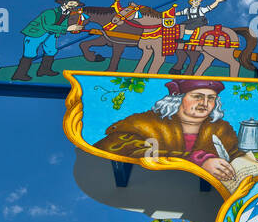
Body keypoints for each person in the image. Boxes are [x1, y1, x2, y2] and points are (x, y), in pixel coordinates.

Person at [92, 79, 243, 185]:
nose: (204, 103)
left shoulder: (221, 129)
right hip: (149, 190)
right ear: (178, 99)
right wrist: (197, 160)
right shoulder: (144, 123)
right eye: (197, 97)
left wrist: (252, 161)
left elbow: (233, 153)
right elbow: (116, 146)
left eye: (211, 98)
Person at [12, 0, 85, 81]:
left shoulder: (67, 14)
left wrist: (71, 29)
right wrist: (67, 29)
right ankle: (20, 74)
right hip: (36, 33)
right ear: (64, 3)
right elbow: (47, 26)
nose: (73, 5)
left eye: (75, 4)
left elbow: (63, 25)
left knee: (51, 51)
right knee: (30, 53)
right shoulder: (50, 12)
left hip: (51, 33)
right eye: (71, 3)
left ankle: (44, 70)